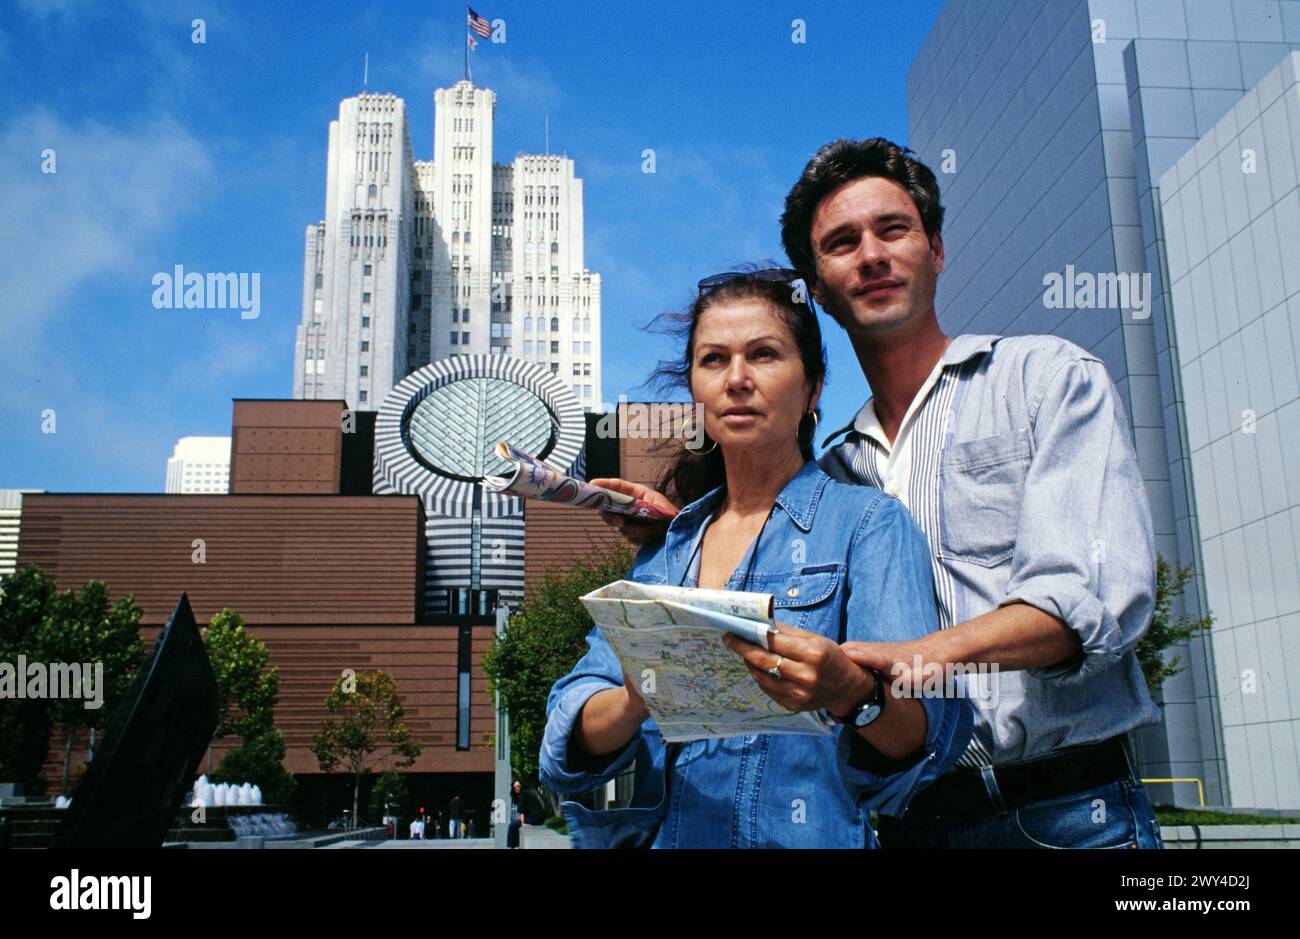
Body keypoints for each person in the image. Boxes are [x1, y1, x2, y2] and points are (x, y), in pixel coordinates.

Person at [597, 139, 1164, 850]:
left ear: (936, 250)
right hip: (902, 820)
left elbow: (1086, 599)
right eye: (841, 243)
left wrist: (910, 656)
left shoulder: (1046, 380)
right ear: (820, 286)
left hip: (1065, 809)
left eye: (892, 229)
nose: (870, 254)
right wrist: (685, 525)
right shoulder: (833, 475)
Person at [539, 270, 972, 848]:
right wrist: (636, 698)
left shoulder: (867, 524)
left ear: (813, 387)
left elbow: (923, 737)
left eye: (764, 355)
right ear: (694, 388)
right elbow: (567, 744)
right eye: (713, 360)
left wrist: (852, 692)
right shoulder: (668, 549)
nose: (736, 380)